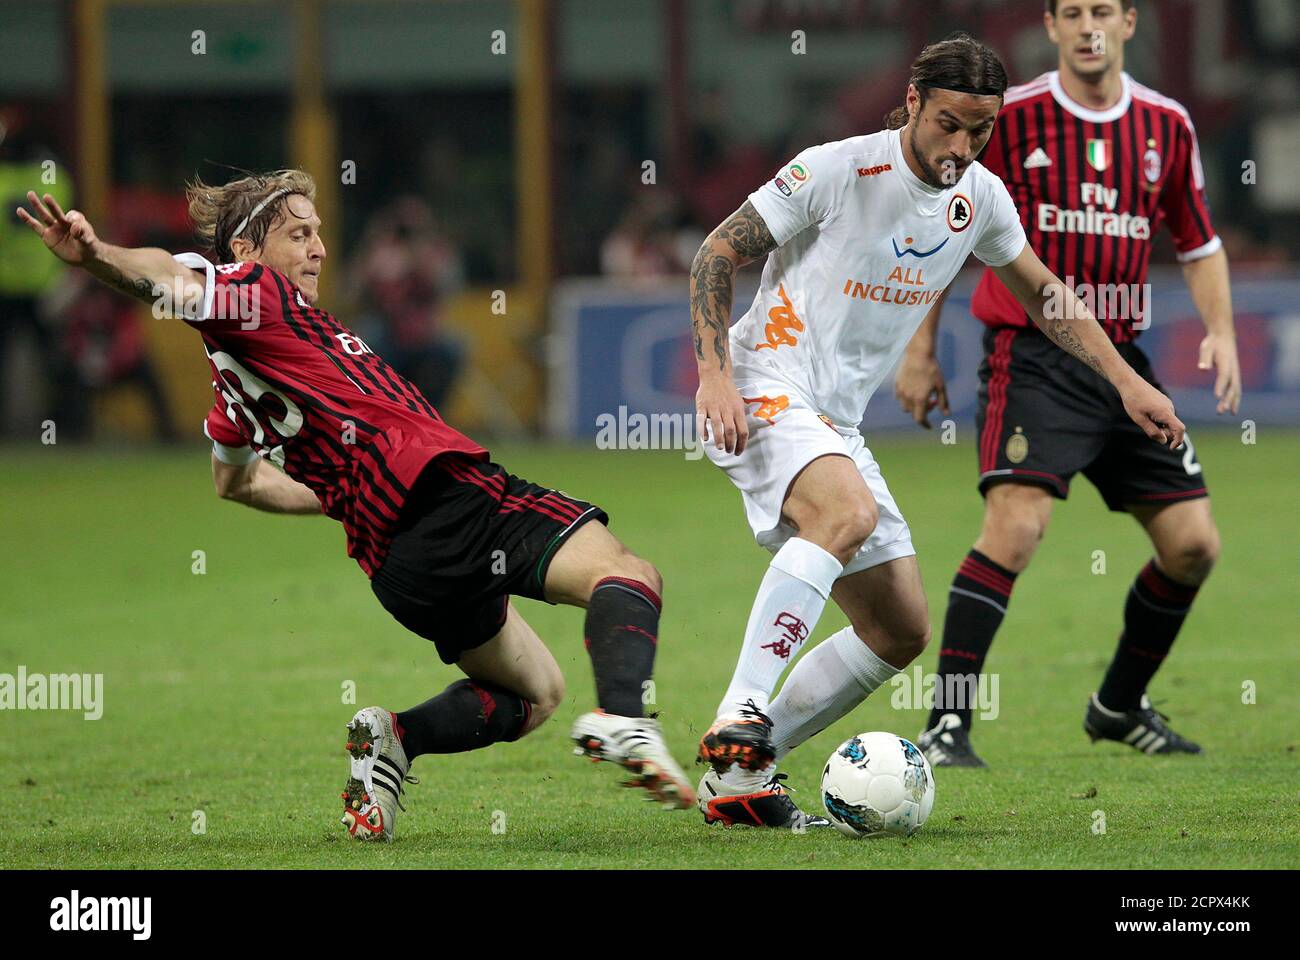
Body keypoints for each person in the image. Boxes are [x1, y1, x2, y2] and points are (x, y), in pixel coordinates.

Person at [17, 170, 696, 842]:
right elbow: (168, 273)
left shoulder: (233, 386)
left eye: (318, 234)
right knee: (629, 576)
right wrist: (98, 256)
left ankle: (394, 741)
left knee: (537, 694)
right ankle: (623, 717)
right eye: (297, 234)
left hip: (397, 562)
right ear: (247, 251)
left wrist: (347, 494)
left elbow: (237, 484)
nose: (316, 250)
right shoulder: (252, 293)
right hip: (447, 495)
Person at [688, 33, 1185, 828]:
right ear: (913, 101)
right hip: (764, 385)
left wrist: (1127, 383)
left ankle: (742, 770)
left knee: (900, 629)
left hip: (835, 421)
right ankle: (740, 708)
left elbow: (1046, 296)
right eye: (948, 124)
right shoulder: (837, 167)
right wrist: (714, 376)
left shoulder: (980, 199)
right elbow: (717, 253)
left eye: (980, 131)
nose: (961, 147)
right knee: (843, 515)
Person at [899, 1, 1237, 767]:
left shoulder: (1166, 126)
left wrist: (1220, 330)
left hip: (1122, 363)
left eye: (1104, 11)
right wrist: (920, 350)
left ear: (1128, 23)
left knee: (1193, 546)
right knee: (1016, 528)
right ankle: (947, 725)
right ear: (1051, 25)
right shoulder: (1007, 116)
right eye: (1074, 11)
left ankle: (1118, 704)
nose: (1090, 26)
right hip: (1034, 358)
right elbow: (947, 225)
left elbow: (1200, 240)